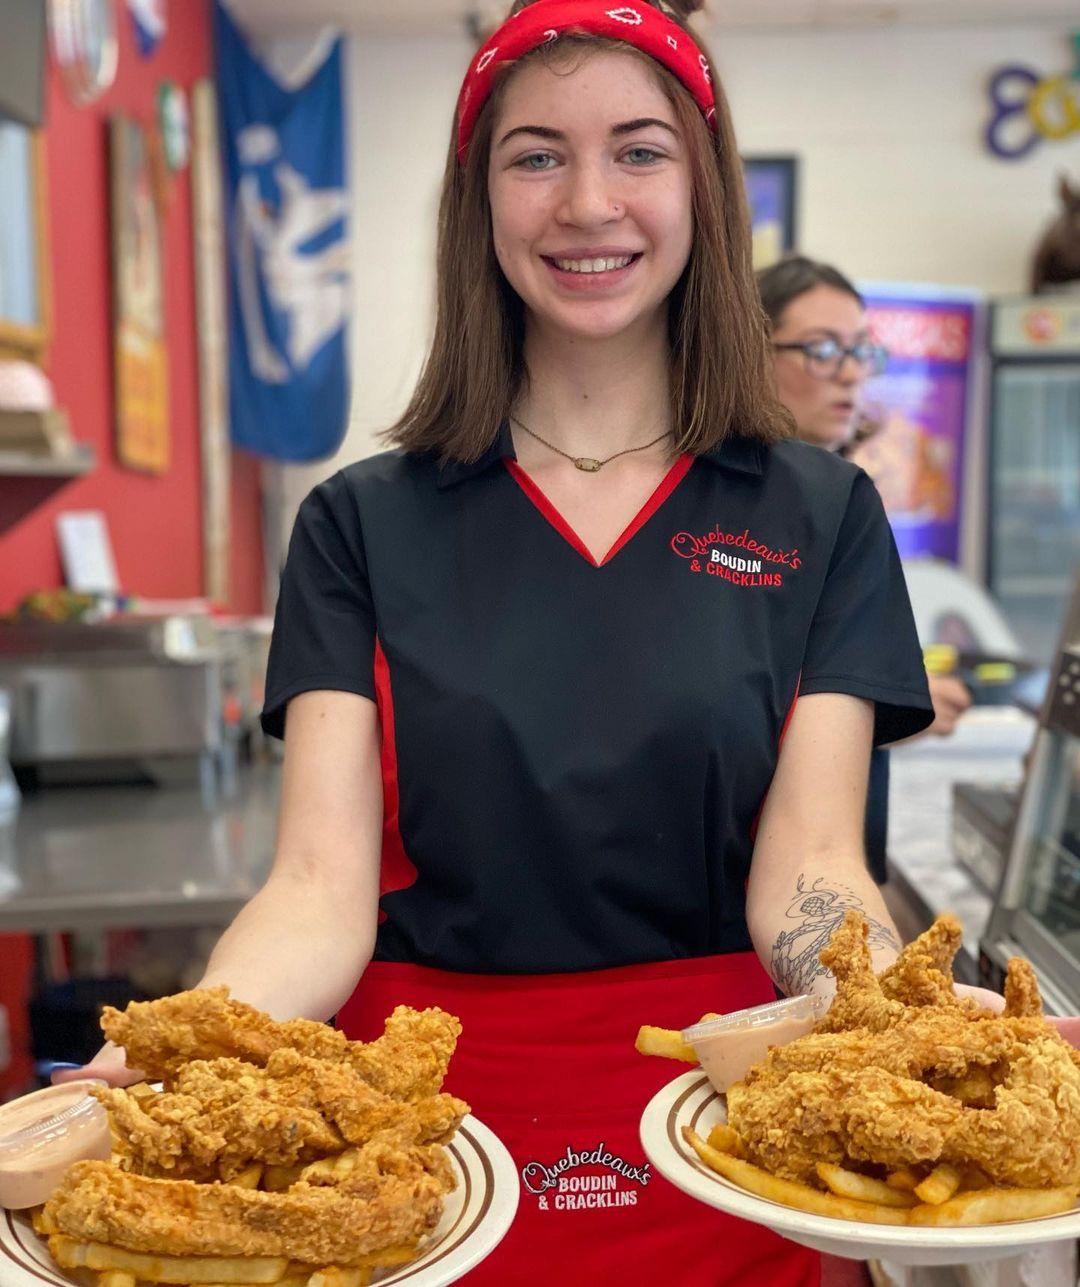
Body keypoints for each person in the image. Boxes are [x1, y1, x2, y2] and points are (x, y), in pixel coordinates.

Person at [66, 4, 946, 1282]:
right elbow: (318, 893)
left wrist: (894, 1017)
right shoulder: (358, 525)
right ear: (476, 199)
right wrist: (188, 1049)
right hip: (420, 1154)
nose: (589, 202)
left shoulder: (819, 513)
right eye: (537, 155)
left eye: (640, 151)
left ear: (703, 187)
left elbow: (810, 867)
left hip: (734, 1125)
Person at [756, 255, 972, 885]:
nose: (850, 374)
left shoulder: (840, 501)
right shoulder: (732, 513)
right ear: (749, 350)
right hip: (759, 896)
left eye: (860, 350)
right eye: (822, 350)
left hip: (841, 877)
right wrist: (878, 712)